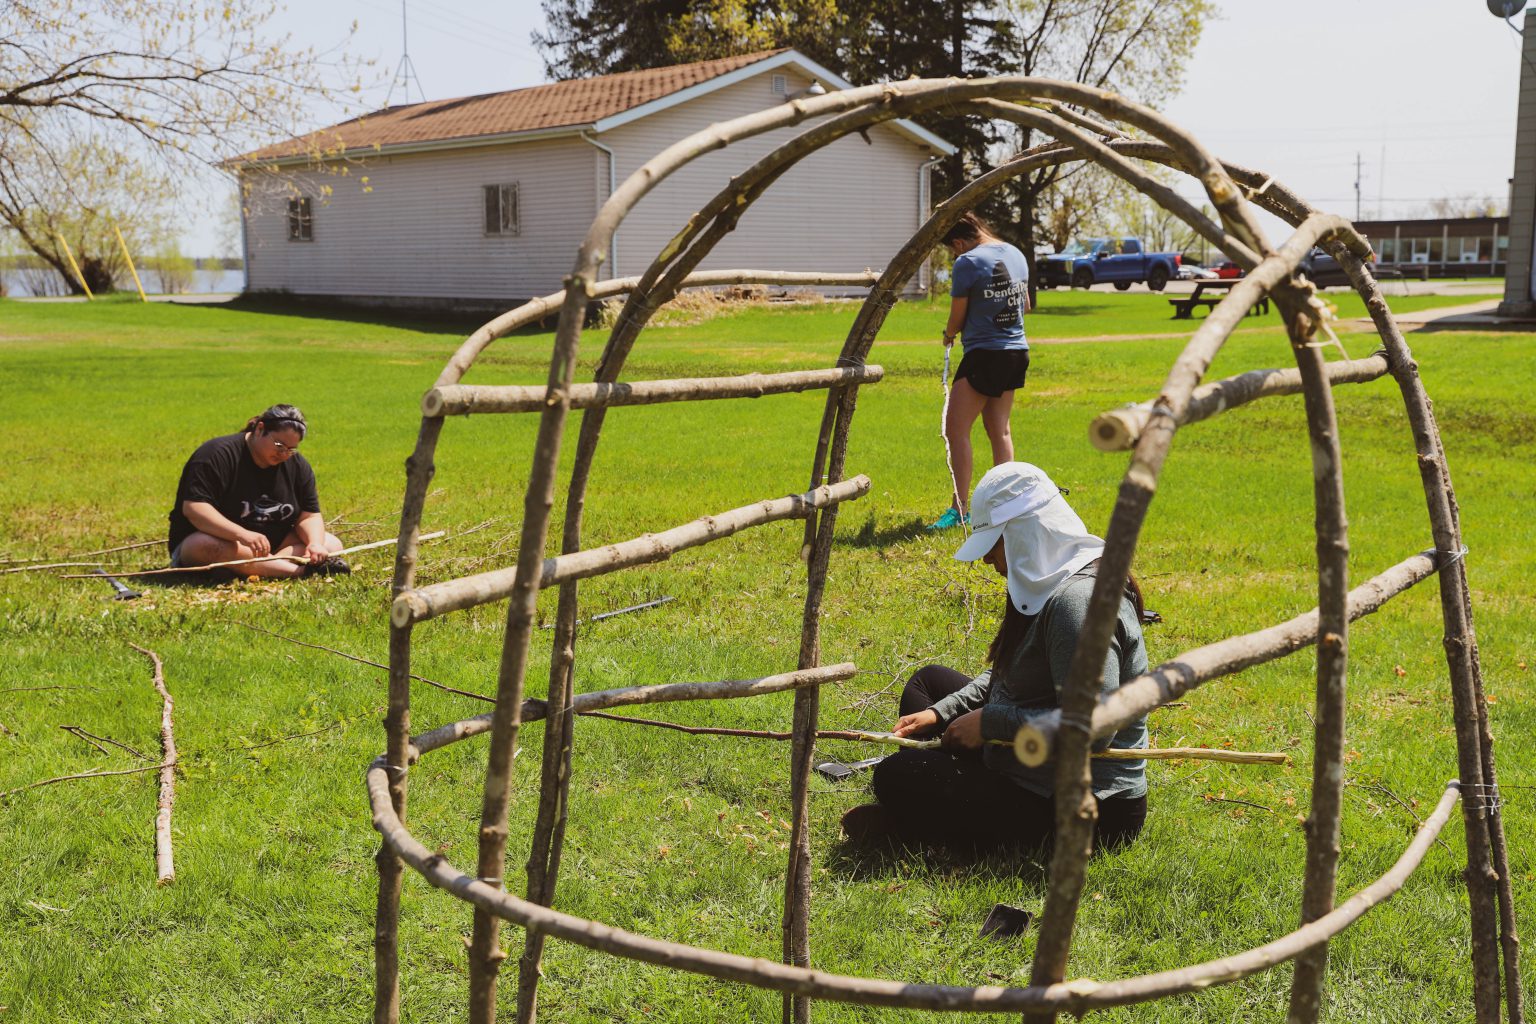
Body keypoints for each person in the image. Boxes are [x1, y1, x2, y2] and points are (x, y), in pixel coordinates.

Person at [844, 462, 1148, 852]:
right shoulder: (1048, 579)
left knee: (895, 775)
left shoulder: (1079, 605)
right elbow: (1014, 676)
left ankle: (926, 822)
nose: (987, 560)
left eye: (993, 544)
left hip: (1089, 810)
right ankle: (941, 805)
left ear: (1025, 534)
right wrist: (944, 713)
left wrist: (990, 722)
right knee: (929, 685)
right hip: (1033, 761)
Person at [929, 212, 1032, 531]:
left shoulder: (967, 262)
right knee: (999, 431)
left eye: (953, 250)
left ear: (958, 242)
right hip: (1017, 352)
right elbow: (1025, 305)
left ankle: (959, 508)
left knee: (955, 430)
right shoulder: (1015, 253)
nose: (955, 256)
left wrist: (948, 335)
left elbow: (956, 317)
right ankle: (1008, 505)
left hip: (985, 354)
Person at [166, 404, 348, 578]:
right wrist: (242, 535)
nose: (284, 454)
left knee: (331, 544)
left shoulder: (298, 465)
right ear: (260, 429)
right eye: (279, 446)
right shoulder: (216, 454)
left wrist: (314, 543)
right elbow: (195, 509)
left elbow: (309, 515)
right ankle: (297, 572)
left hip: (274, 546)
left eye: (291, 449)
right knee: (203, 545)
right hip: (221, 542)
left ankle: (261, 568)